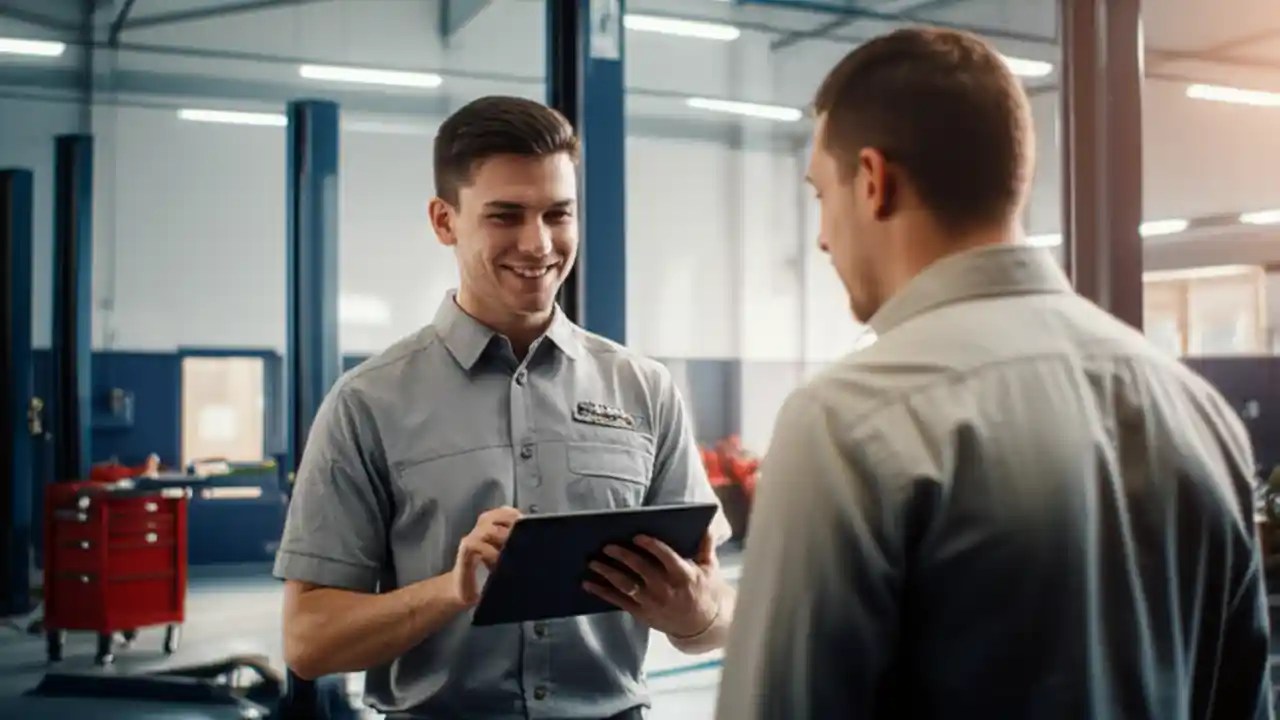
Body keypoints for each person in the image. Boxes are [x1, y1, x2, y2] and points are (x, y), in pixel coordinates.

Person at [716, 27, 1271, 720]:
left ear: (873, 181)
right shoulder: (1199, 412)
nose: (823, 237)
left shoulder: (848, 422)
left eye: (821, 195)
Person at [275, 96, 735, 720]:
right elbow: (309, 642)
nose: (538, 243)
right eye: (505, 215)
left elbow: (714, 617)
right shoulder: (367, 403)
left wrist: (696, 612)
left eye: (557, 213)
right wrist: (451, 591)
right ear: (444, 221)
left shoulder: (644, 389)